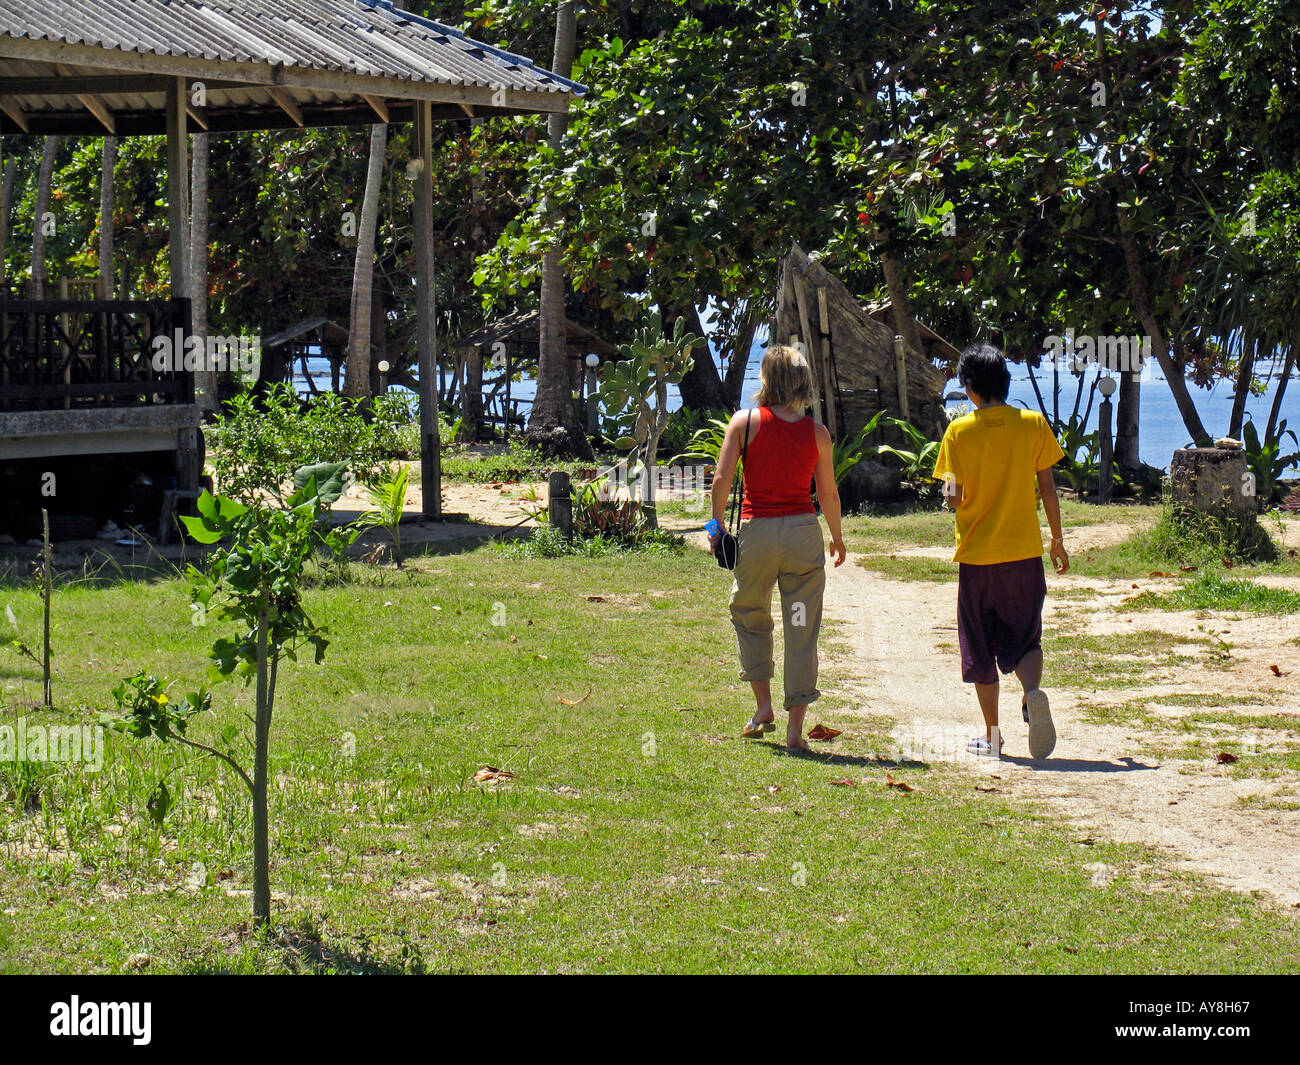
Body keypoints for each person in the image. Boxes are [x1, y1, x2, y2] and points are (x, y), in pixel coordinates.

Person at [931, 342, 1068, 760]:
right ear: (1005, 384)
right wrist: (1057, 539)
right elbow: (1047, 486)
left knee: (980, 646)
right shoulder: (1032, 423)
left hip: (977, 558)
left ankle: (993, 737)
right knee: (1026, 637)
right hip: (1024, 554)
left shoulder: (958, 431)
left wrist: (950, 494)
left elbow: (954, 495)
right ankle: (1031, 692)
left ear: (970, 390)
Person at [708, 345, 846, 751]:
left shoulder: (743, 423)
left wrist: (715, 529)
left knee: (751, 614)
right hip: (803, 536)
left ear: (766, 380)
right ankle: (794, 731)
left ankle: (763, 707)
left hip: (758, 536)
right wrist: (837, 537)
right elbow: (828, 493)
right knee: (801, 628)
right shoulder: (817, 433)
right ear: (803, 383)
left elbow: (721, 481)